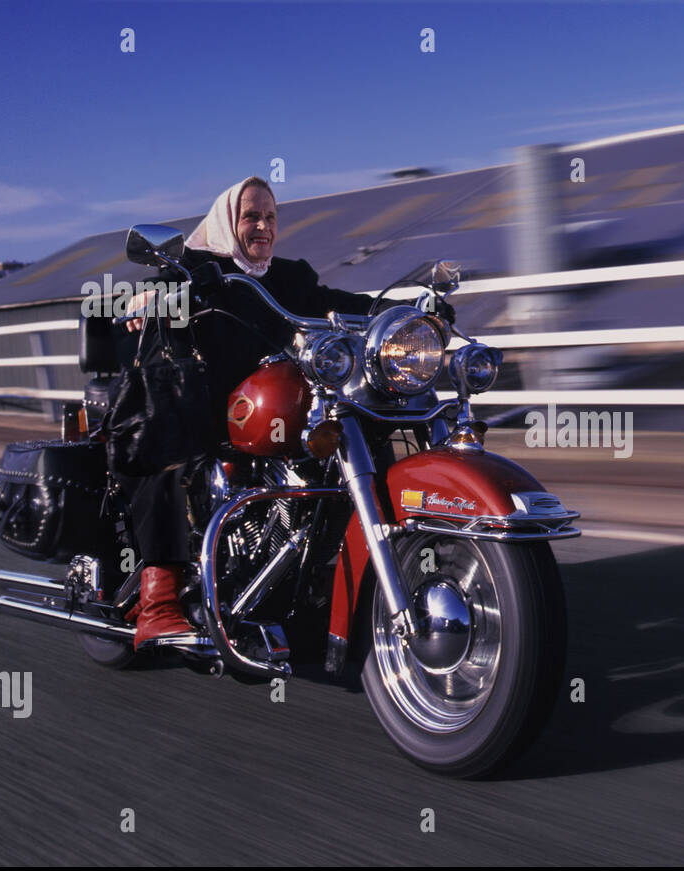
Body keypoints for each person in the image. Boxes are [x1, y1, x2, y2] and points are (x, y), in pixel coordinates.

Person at [121, 176, 448, 648]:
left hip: (281, 403)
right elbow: (153, 291)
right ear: (227, 222)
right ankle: (158, 602)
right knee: (170, 455)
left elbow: (341, 304)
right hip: (202, 401)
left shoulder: (291, 276)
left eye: (270, 217)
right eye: (250, 216)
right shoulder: (196, 269)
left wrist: (412, 308)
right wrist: (148, 300)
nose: (262, 226)